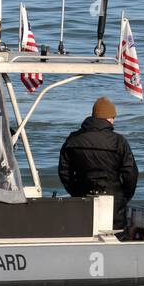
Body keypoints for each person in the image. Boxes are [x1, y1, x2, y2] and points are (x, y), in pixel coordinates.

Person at [59, 97, 138, 229]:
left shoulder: (74, 139)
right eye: (113, 117)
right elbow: (131, 174)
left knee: (84, 232)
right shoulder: (118, 141)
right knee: (116, 235)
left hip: (82, 198)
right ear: (109, 118)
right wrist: (124, 197)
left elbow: (64, 172)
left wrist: (76, 192)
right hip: (114, 201)